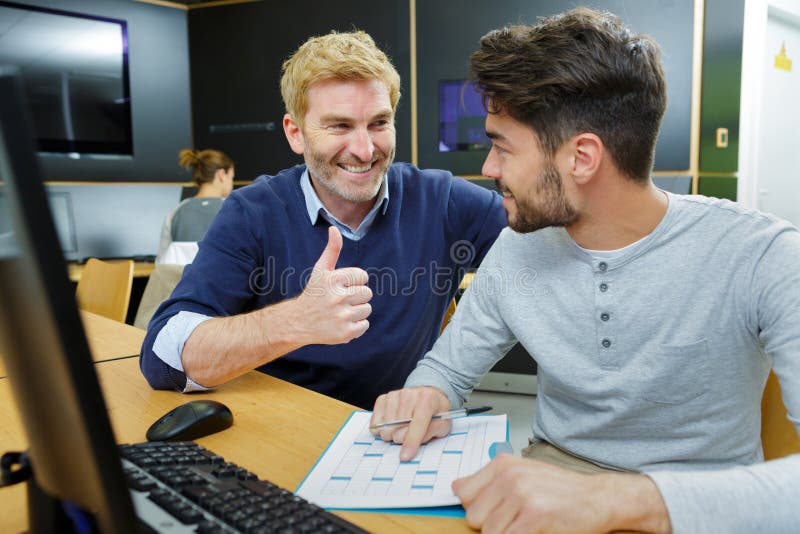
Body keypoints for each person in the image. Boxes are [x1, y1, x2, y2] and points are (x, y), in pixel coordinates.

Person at [371, 8, 799, 532]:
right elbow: (447, 371)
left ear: (582, 157)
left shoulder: (765, 256)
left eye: (501, 146)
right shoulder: (517, 249)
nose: (488, 168)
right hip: (551, 487)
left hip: (704, 509)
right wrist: (425, 394)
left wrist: (615, 500)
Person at [139, 31, 506, 409]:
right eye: (339, 126)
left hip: (396, 431)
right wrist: (296, 321)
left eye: (379, 123)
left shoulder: (441, 200)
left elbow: (538, 238)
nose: (364, 150)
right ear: (295, 133)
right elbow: (162, 355)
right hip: (284, 429)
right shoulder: (252, 213)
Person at [155, 148, 235, 263]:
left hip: (181, 275)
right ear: (221, 174)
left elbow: (162, 263)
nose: (232, 185)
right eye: (231, 178)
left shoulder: (176, 212)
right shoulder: (234, 210)